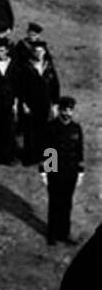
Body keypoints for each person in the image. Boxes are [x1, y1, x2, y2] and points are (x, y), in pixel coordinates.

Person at [40, 96, 85, 246]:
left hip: (71, 172)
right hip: (56, 172)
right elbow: (48, 150)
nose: (67, 113)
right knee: (55, 203)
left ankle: (64, 233)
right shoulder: (51, 127)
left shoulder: (76, 128)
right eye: (65, 109)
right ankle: (52, 234)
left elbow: (79, 151)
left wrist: (80, 172)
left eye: (70, 110)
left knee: (67, 204)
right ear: (59, 110)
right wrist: (45, 172)